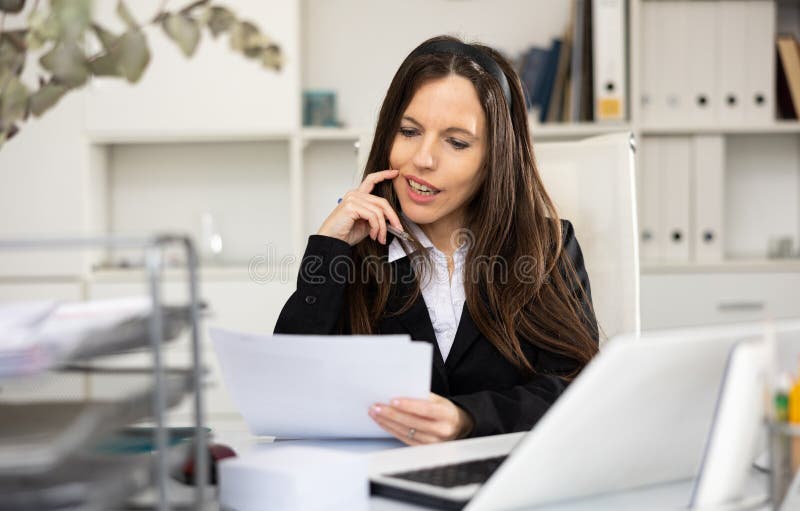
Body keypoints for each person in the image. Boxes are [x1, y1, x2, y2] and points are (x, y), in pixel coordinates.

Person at [274, 35, 599, 445]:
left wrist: (468, 419)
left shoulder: (548, 246)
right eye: (408, 131)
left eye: (457, 142)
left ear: (495, 156)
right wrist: (328, 246)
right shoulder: (356, 247)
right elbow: (285, 394)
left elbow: (582, 390)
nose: (422, 159)